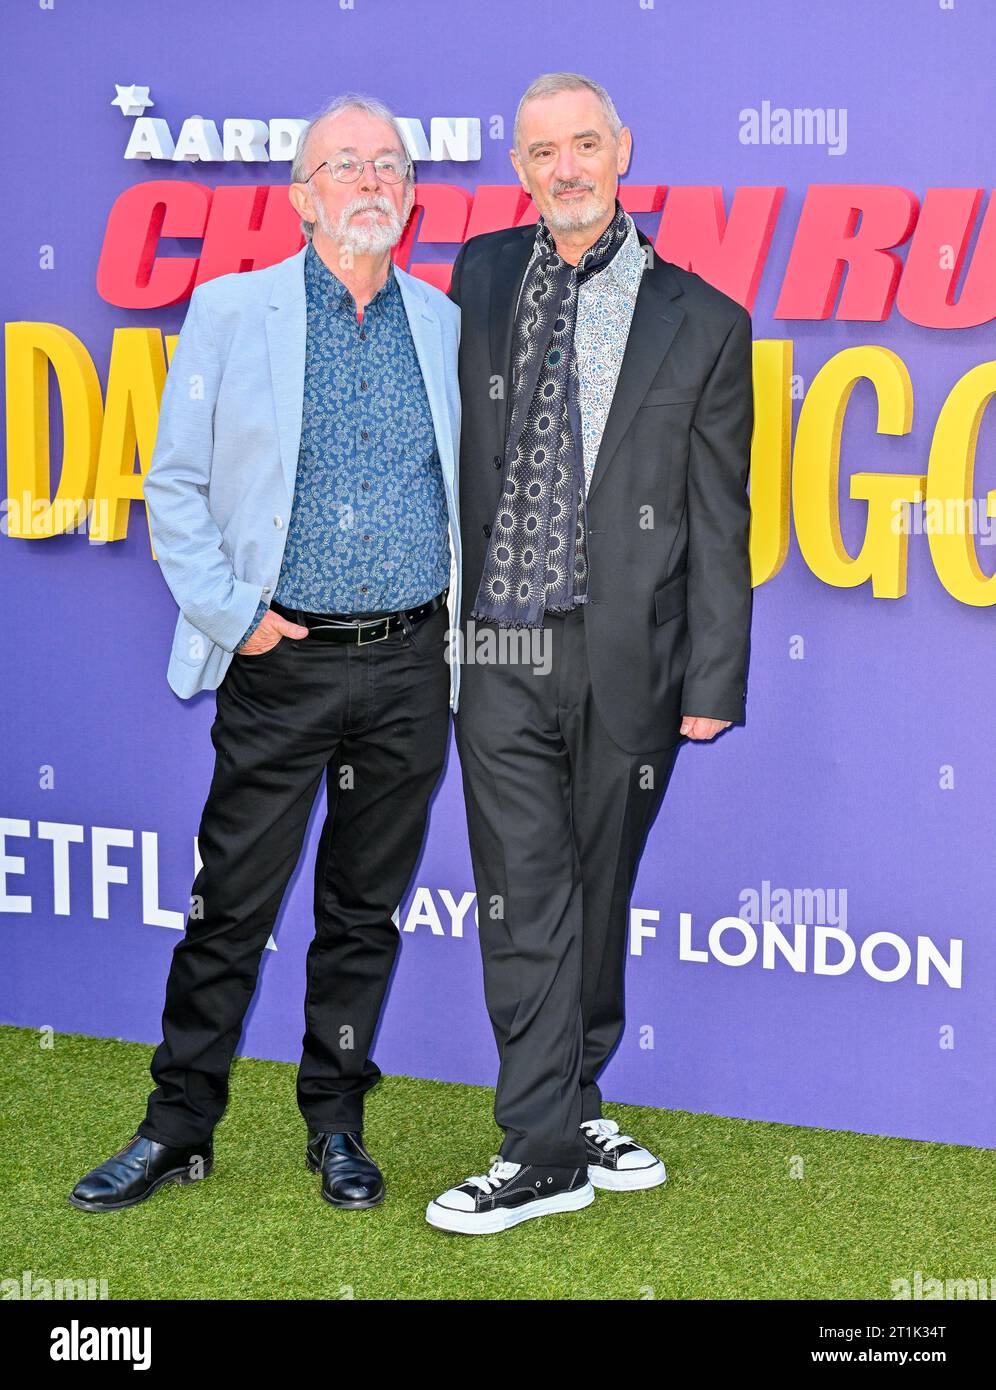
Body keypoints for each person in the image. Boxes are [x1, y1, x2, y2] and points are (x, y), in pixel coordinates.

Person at [70, 93, 462, 1214]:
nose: (372, 181)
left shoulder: (436, 323)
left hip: (408, 665)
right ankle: (175, 1124)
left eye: (390, 164)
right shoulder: (232, 312)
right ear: (300, 196)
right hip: (280, 663)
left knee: (360, 910)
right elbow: (175, 486)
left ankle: (336, 1124)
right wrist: (233, 615)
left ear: (412, 193)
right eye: (345, 164)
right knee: (230, 904)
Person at [427, 72, 753, 1235]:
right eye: (539, 152)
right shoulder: (475, 276)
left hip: (632, 660)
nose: (563, 169)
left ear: (622, 150)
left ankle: (578, 1088)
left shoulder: (706, 320)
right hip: (501, 642)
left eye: (583, 146)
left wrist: (713, 680)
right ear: (519, 169)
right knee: (524, 893)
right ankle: (542, 1146)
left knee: (597, 891)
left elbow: (721, 518)